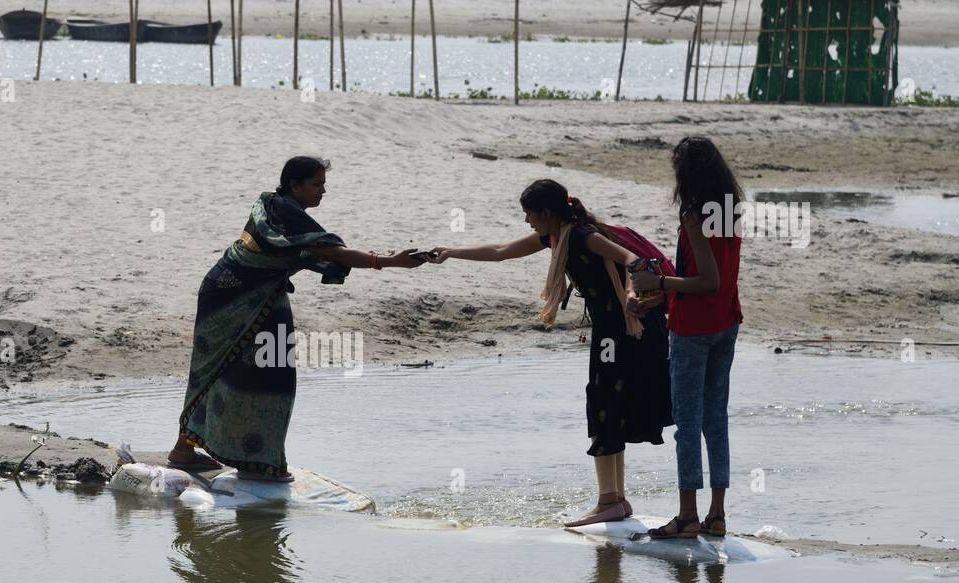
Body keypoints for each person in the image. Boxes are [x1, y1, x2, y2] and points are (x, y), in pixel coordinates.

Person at [168, 156, 425, 482]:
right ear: (295, 185)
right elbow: (335, 254)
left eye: (324, 185)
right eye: (317, 184)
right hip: (228, 297)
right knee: (223, 373)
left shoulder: (279, 208)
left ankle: (231, 456)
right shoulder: (285, 212)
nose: (323, 192)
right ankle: (235, 459)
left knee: (261, 371)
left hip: (260, 295)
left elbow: (314, 251)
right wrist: (391, 261)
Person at [432, 179, 673, 526]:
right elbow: (501, 251)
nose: (527, 222)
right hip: (611, 328)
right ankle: (616, 500)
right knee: (608, 402)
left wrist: (632, 294)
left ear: (547, 213)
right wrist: (452, 251)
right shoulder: (555, 236)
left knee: (604, 403)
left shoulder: (581, 237)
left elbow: (631, 259)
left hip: (625, 328)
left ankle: (609, 501)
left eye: (529, 215)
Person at [630, 137, 745, 539]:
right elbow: (717, 278)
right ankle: (717, 515)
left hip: (694, 329)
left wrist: (657, 281)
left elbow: (707, 280)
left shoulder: (694, 216)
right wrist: (665, 292)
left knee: (688, 424)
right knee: (716, 420)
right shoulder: (730, 212)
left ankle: (686, 516)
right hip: (726, 323)